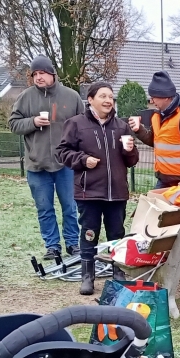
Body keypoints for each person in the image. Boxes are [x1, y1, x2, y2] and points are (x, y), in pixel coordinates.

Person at [56, 81, 139, 295]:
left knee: (117, 233)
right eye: (103, 96)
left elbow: (131, 160)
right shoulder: (76, 124)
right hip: (89, 191)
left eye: (111, 97)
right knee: (89, 232)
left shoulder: (121, 126)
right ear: (90, 99)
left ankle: (118, 272)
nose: (108, 100)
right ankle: (87, 275)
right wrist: (83, 159)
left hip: (117, 192)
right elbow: (62, 152)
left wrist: (130, 150)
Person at [8, 56, 83, 262]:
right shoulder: (25, 97)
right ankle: (52, 246)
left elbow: (83, 126)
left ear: (52, 74)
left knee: (70, 206)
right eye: (35, 74)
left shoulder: (71, 96)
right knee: (44, 208)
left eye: (42, 73)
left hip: (66, 164)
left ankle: (73, 243)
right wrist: (32, 121)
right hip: (37, 164)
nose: (38, 77)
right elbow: (13, 124)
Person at [129, 71, 180, 188]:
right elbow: (156, 141)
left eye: (154, 97)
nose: (151, 101)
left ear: (165, 97)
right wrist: (139, 129)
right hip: (164, 180)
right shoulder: (157, 115)